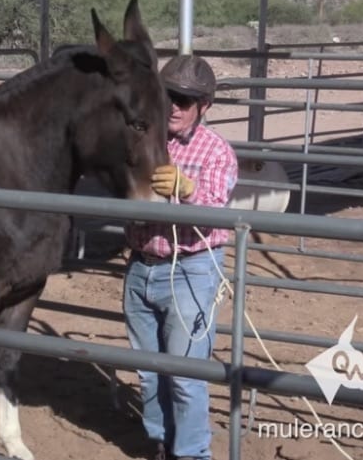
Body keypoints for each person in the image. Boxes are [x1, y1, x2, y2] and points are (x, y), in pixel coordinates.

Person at [123, 55, 238, 460]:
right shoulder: (143, 138)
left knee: (187, 376)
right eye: (168, 95)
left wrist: (187, 189)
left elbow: (216, 206)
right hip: (142, 265)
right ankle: (161, 441)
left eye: (185, 100)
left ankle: (191, 454)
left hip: (190, 270)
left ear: (203, 106)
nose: (174, 105)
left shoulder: (216, 152)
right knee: (150, 371)